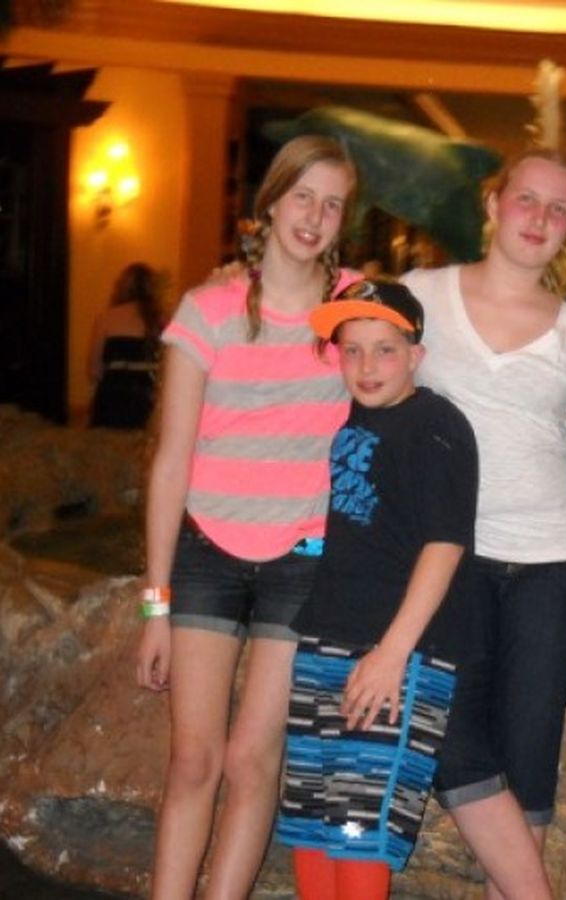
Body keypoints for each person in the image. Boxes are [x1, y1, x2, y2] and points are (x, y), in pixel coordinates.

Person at [135, 134, 359, 900]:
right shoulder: (209, 309)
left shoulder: (356, 309)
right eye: (303, 197)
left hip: (304, 558)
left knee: (251, 760)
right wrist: (155, 604)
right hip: (207, 554)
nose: (315, 217)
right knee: (192, 760)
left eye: (333, 205)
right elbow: (170, 462)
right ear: (270, 202)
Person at [400, 148, 566, 898]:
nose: (540, 218)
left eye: (559, 209)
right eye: (527, 199)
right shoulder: (420, 296)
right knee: (445, 735)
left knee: (529, 760)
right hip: (448, 556)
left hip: (553, 562)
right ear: (494, 204)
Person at [275, 279, 479, 900]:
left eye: (385, 350)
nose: (366, 366)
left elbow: (444, 544)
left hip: (397, 651)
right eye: (352, 350)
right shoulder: (353, 423)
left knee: (358, 824)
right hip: (327, 637)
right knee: (311, 818)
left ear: (416, 355)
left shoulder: (436, 426)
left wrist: (392, 653)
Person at [87, 261, 165, 428]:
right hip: (148, 401)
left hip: (113, 399)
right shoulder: (162, 320)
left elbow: (94, 371)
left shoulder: (106, 318)